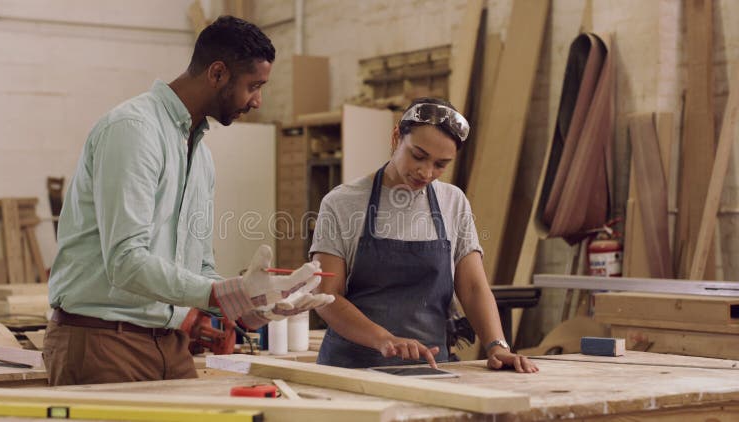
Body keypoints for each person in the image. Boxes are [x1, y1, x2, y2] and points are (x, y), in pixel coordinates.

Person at [43, 16, 333, 386]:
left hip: (170, 344)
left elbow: (200, 265)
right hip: (104, 340)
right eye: (254, 86)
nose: (258, 101)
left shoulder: (201, 156)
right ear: (217, 73)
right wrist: (224, 294)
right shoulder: (133, 131)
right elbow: (126, 262)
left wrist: (256, 304)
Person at [310, 98, 538, 373]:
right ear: (397, 137)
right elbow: (326, 296)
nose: (426, 172)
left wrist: (497, 346)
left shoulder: (453, 202)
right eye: (418, 155)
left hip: (429, 370)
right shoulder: (342, 202)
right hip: (352, 370)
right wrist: (383, 339)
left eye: (441, 164)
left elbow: (474, 287)